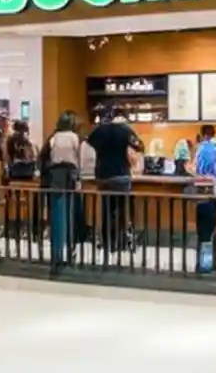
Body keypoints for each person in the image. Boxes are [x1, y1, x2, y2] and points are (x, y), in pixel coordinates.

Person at [87, 112, 142, 252]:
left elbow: (89, 142)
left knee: (106, 210)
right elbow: (139, 145)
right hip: (120, 174)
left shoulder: (99, 130)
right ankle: (121, 241)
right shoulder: (124, 130)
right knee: (121, 210)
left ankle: (107, 243)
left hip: (103, 175)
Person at [40, 111, 81, 266]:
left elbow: (46, 158)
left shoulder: (53, 138)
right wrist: (78, 179)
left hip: (55, 176)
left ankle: (55, 253)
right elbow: (78, 158)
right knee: (70, 213)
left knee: (57, 214)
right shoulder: (74, 137)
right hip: (70, 175)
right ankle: (71, 250)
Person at [193, 124, 216, 272]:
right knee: (212, 228)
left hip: (200, 191)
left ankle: (202, 263)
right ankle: (210, 263)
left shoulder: (200, 149)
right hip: (213, 192)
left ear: (202, 134)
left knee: (202, 230)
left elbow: (195, 170)